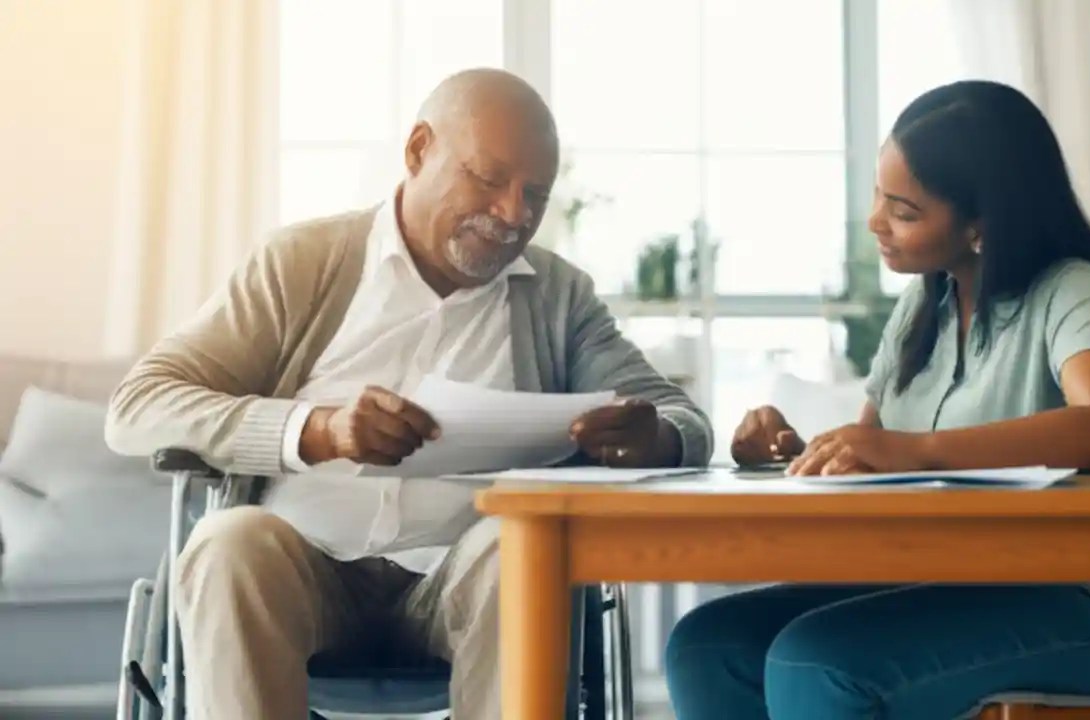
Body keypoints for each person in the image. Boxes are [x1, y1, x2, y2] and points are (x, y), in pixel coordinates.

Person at [105, 68, 711, 720]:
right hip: (301, 570)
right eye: (487, 178)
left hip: (465, 577)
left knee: (523, 549)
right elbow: (138, 406)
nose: (514, 214)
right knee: (228, 545)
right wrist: (317, 430)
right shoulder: (301, 264)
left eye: (534, 194)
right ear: (419, 150)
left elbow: (681, 418)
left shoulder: (559, 297)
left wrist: (655, 436)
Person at [664, 80, 1090, 720]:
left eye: (904, 210)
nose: (874, 223)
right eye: (878, 196)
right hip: (931, 582)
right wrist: (798, 453)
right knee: (707, 646)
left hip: (1072, 607)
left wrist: (919, 450)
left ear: (981, 225)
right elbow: (875, 462)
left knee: (816, 664)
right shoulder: (925, 302)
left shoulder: (1071, 291)